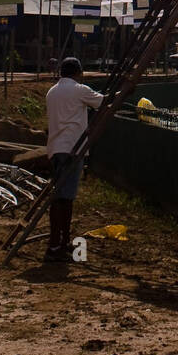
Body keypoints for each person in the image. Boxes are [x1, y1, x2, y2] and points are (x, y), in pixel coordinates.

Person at [44, 58, 104, 263]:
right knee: (66, 198)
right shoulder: (79, 90)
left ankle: (56, 242)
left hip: (56, 148)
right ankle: (60, 243)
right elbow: (103, 102)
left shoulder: (52, 92)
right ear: (78, 72)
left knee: (58, 195)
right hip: (72, 149)